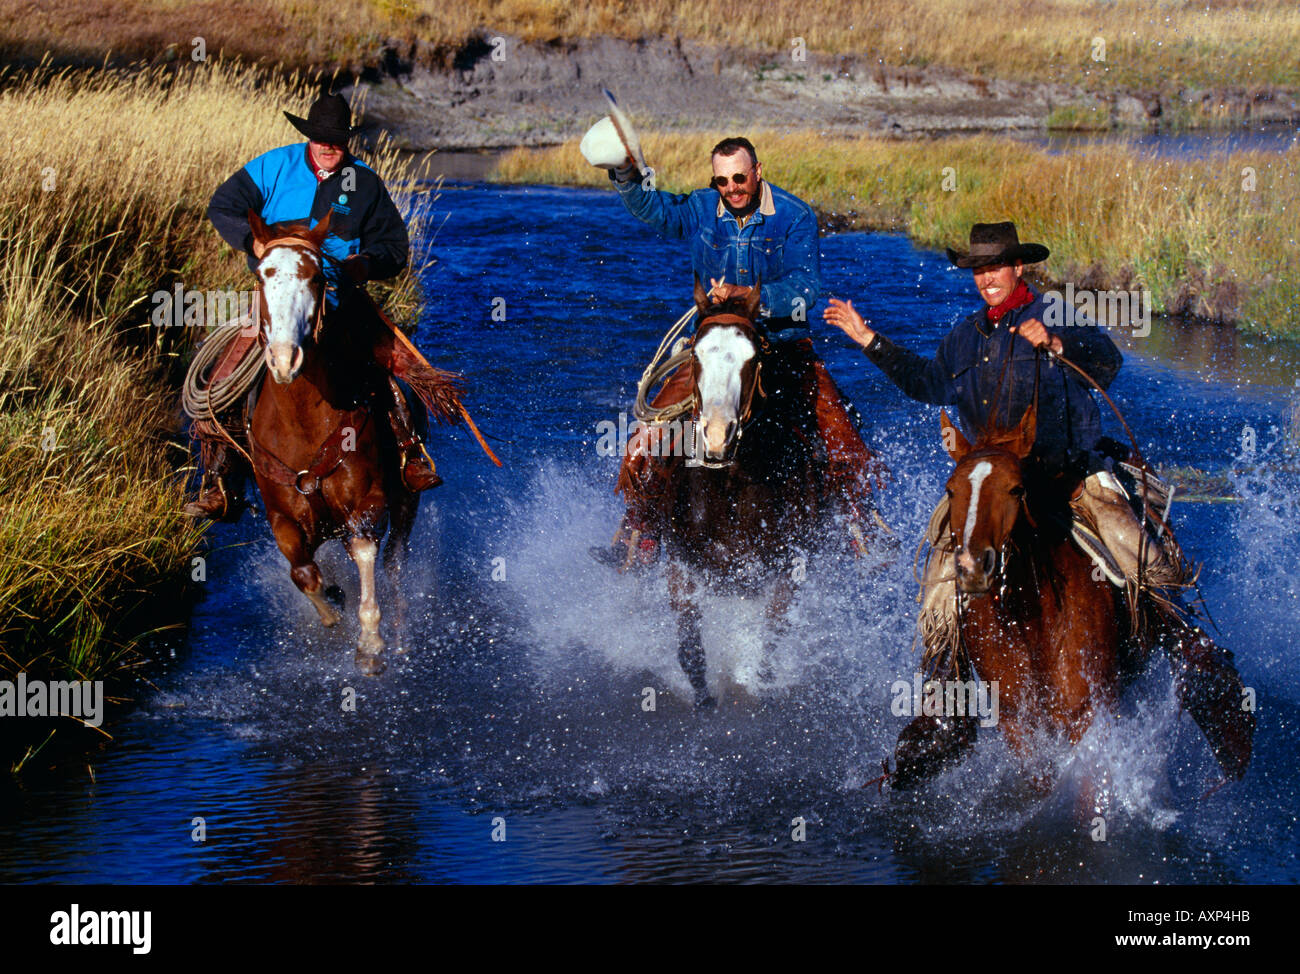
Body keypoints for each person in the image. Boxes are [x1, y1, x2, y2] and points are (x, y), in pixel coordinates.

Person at [826, 221, 1254, 781]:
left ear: (1017, 268)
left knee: (1141, 557)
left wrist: (1056, 344)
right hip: (991, 484)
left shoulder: (1057, 313)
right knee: (941, 580)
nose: (987, 279)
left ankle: (1190, 652)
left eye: (995, 267)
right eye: (978, 269)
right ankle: (943, 703)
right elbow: (930, 384)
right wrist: (869, 341)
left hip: (1068, 476)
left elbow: (1107, 362)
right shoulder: (963, 338)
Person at [591, 133, 881, 564]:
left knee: (840, 432)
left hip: (783, 347)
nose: (732, 188)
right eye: (722, 181)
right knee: (649, 434)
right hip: (710, 345)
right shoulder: (701, 208)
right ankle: (639, 528)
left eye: (740, 178)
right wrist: (627, 174)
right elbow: (655, 210)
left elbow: (807, 288)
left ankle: (862, 528)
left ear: (757, 172)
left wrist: (752, 295)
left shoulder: (795, 216)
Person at [184, 92, 439, 520]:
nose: (327, 147)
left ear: (347, 143)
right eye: (321, 138)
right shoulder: (272, 167)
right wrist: (254, 243)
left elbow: (395, 247)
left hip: (340, 300)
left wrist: (366, 264)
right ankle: (221, 480)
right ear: (308, 136)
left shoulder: (366, 183)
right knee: (223, 379)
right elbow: (222, 206)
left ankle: (410, 456)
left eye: (336, 141)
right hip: (277, 299)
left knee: (394, 368)